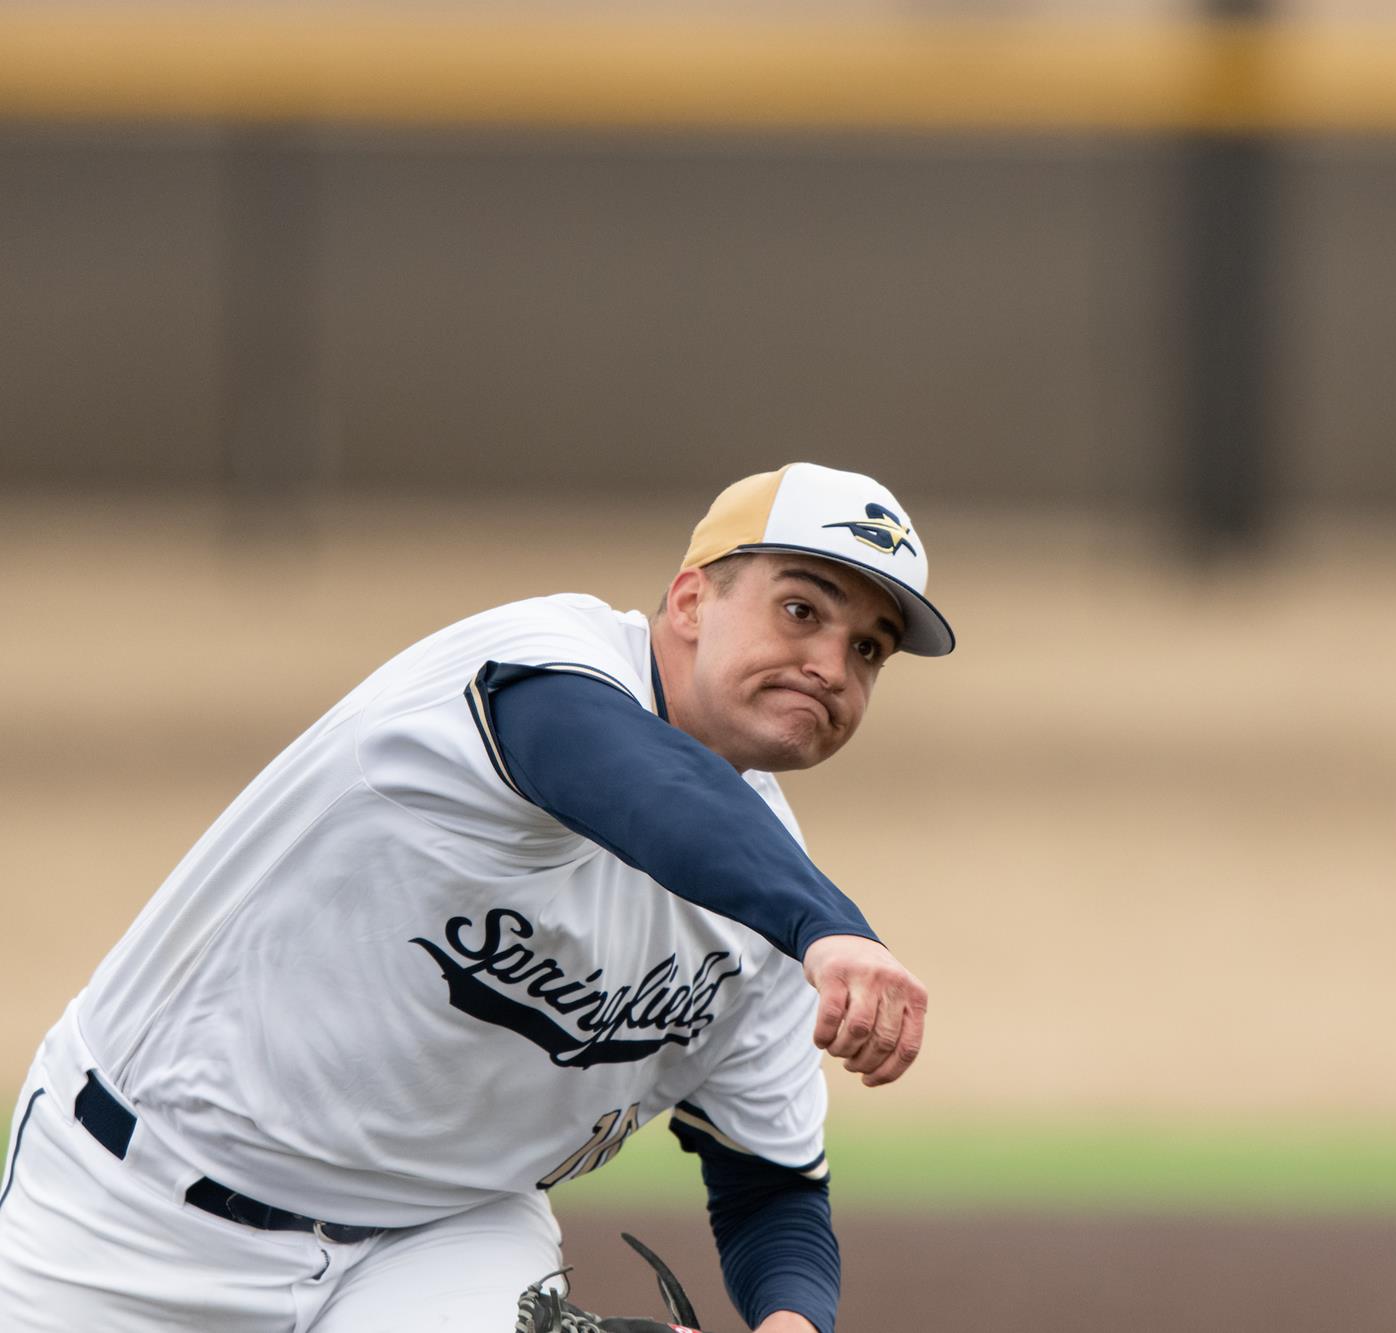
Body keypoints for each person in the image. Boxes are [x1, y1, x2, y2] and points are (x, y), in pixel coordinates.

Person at [0, 462, 954, 1333]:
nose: (832, 665)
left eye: (869, 649)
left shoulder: (771, 896)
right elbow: (626, 773)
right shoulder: (540, 663)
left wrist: (793, 1321)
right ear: (691, 599)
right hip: (130, 1204)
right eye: (801, 609)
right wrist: (828, 928)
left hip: (442, 1238)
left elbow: (771, 1182)